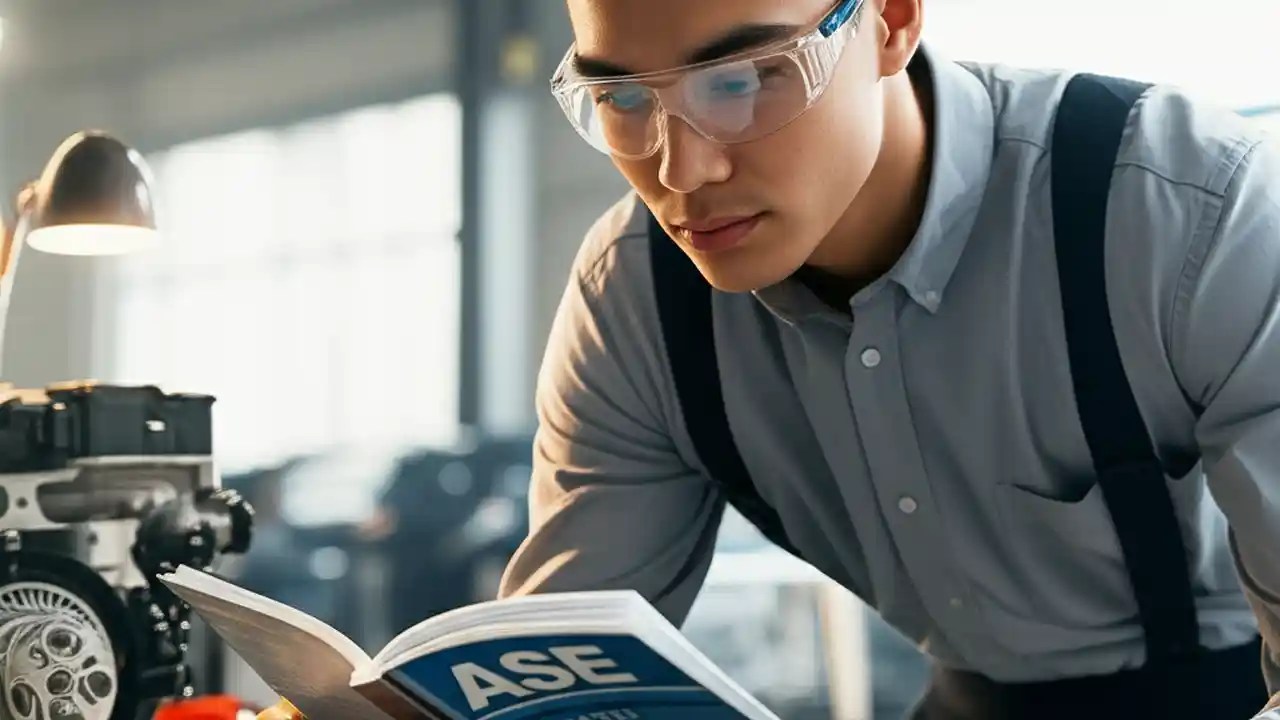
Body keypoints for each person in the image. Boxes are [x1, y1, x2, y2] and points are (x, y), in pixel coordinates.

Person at [262, 0, 1280, 718]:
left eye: (741, 80)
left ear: (888, 19)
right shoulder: (635, 300)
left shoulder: (1184, 211)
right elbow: (555, 675)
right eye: (621, 101)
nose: (680, 171)